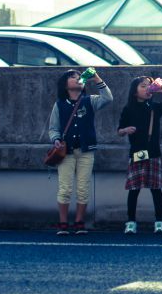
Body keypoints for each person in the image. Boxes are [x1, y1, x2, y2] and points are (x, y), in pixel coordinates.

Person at [47, 68, 115, 235]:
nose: (77, 78)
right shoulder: (59, 104)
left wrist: (96, 78)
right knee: (65, 188)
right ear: (65, 84)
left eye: (78, 76)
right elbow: (53, 128)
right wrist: (55, 139)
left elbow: (108, 98)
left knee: (83, 187)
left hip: (86, 150)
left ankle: (79, 222)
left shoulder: (89, 100)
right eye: (72, 77)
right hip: (66, 151)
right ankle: (63, 223)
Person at [117, 75, 162, 234]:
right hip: (136, 153)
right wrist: (125, 130)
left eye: (149, 86)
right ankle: (131, 222)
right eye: (143, 86)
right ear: (134, 91)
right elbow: (119, 130)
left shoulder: (154, 107)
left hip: (153, 154)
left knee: (156, 189)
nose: (147, 89)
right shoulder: (128, 109)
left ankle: (159, 222)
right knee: (134, 189)